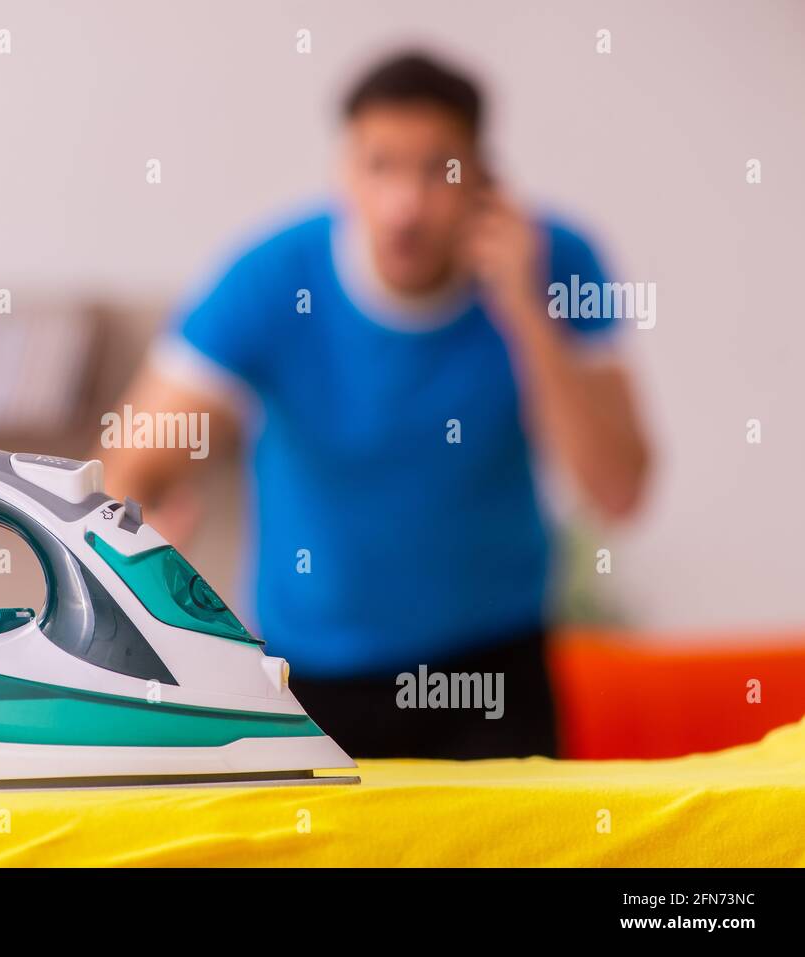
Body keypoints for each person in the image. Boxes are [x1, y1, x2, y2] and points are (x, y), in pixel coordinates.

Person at [96, 51, 650, 760]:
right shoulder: (270, 279)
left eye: (438, 169)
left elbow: (620, 487)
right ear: (344, 171)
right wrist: (154, 550)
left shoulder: (557, 261)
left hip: (495, 668)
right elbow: (128, 473)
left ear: (482, 179)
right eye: (380, 165)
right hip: (313, 673)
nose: (406, 205)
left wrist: (526, 312)